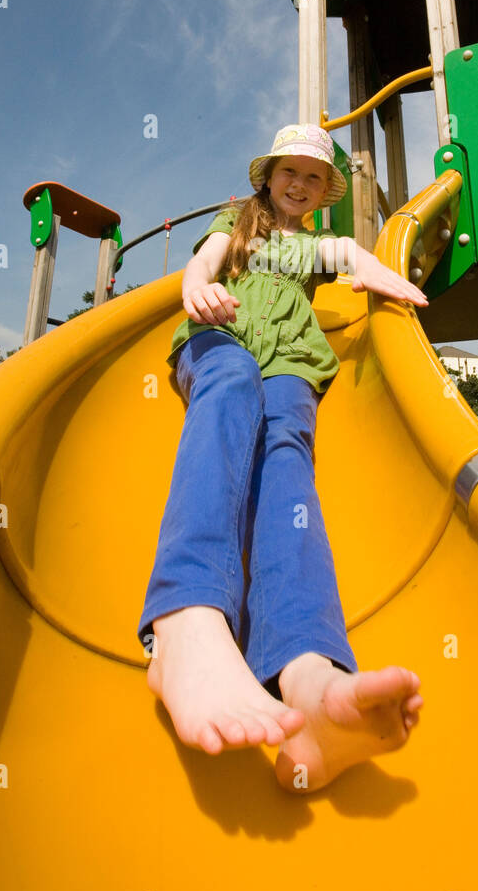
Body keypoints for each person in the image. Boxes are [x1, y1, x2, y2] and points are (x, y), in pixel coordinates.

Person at [138, 124, 428, 792]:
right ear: (267, 177)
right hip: (222, 339)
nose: (298, 185)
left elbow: (354, 253)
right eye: (288, 173)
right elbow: (206, 261)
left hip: (292, 367)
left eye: (313, 178)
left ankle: (309, 676)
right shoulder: (236, 222)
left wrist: (381, 272)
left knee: (286, 461)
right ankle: (186, 617)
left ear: (326, 191)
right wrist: (195, 289)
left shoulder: (313, 248)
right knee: (233, 383)